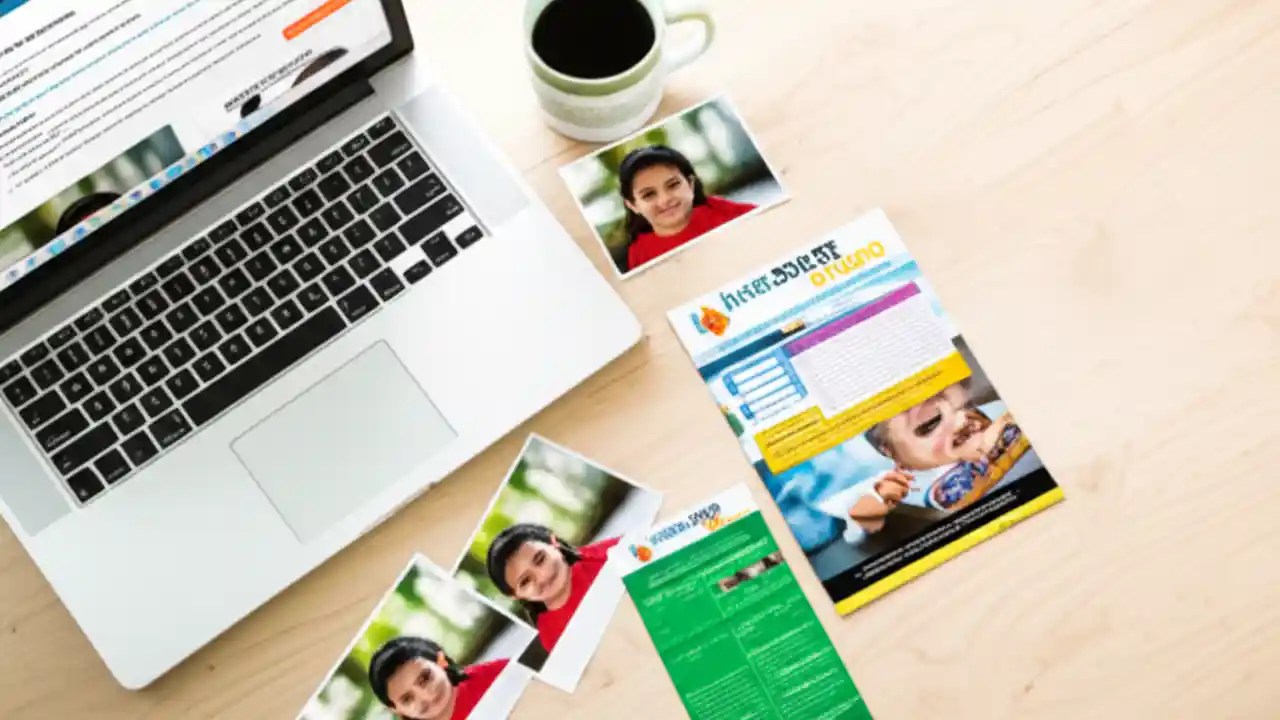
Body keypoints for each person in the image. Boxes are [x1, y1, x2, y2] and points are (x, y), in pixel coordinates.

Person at [847, 383, 1022, 532]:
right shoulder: (910, 485)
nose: (962, 420)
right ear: (891, 452)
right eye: (931, 422)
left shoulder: (997, 409)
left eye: (967, 405)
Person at [617, 145, 756, 272]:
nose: (665, 200)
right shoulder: (639, 254)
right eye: (648, 194)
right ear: (633, 205)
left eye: (673, 185)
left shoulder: (728, 213)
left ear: (690, 184)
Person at [485, 523, 619, 652]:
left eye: (540, 559)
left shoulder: (611, 552)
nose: (542, 577)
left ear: (554, 543)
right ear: (514, 595)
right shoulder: (552, 635)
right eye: (525, 581)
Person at [368, 636, 508, 720]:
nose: (426, 696)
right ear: (396, 710)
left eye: (425, 678)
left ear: (441, 661)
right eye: (407, 699)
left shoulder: (500, 675)